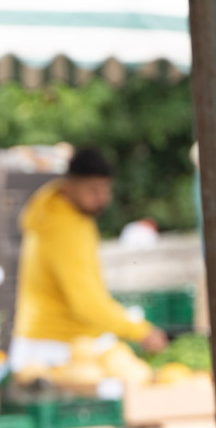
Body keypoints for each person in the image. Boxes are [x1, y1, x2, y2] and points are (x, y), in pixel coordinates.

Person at [12, 146, 169, 365]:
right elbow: (86, 302)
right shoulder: (64, 228)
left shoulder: (61, 212)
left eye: (106, 190)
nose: (102, 198)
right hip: (55, 348)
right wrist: (140, 331)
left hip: (52, 342)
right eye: (93, 190)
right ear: (69, 186)